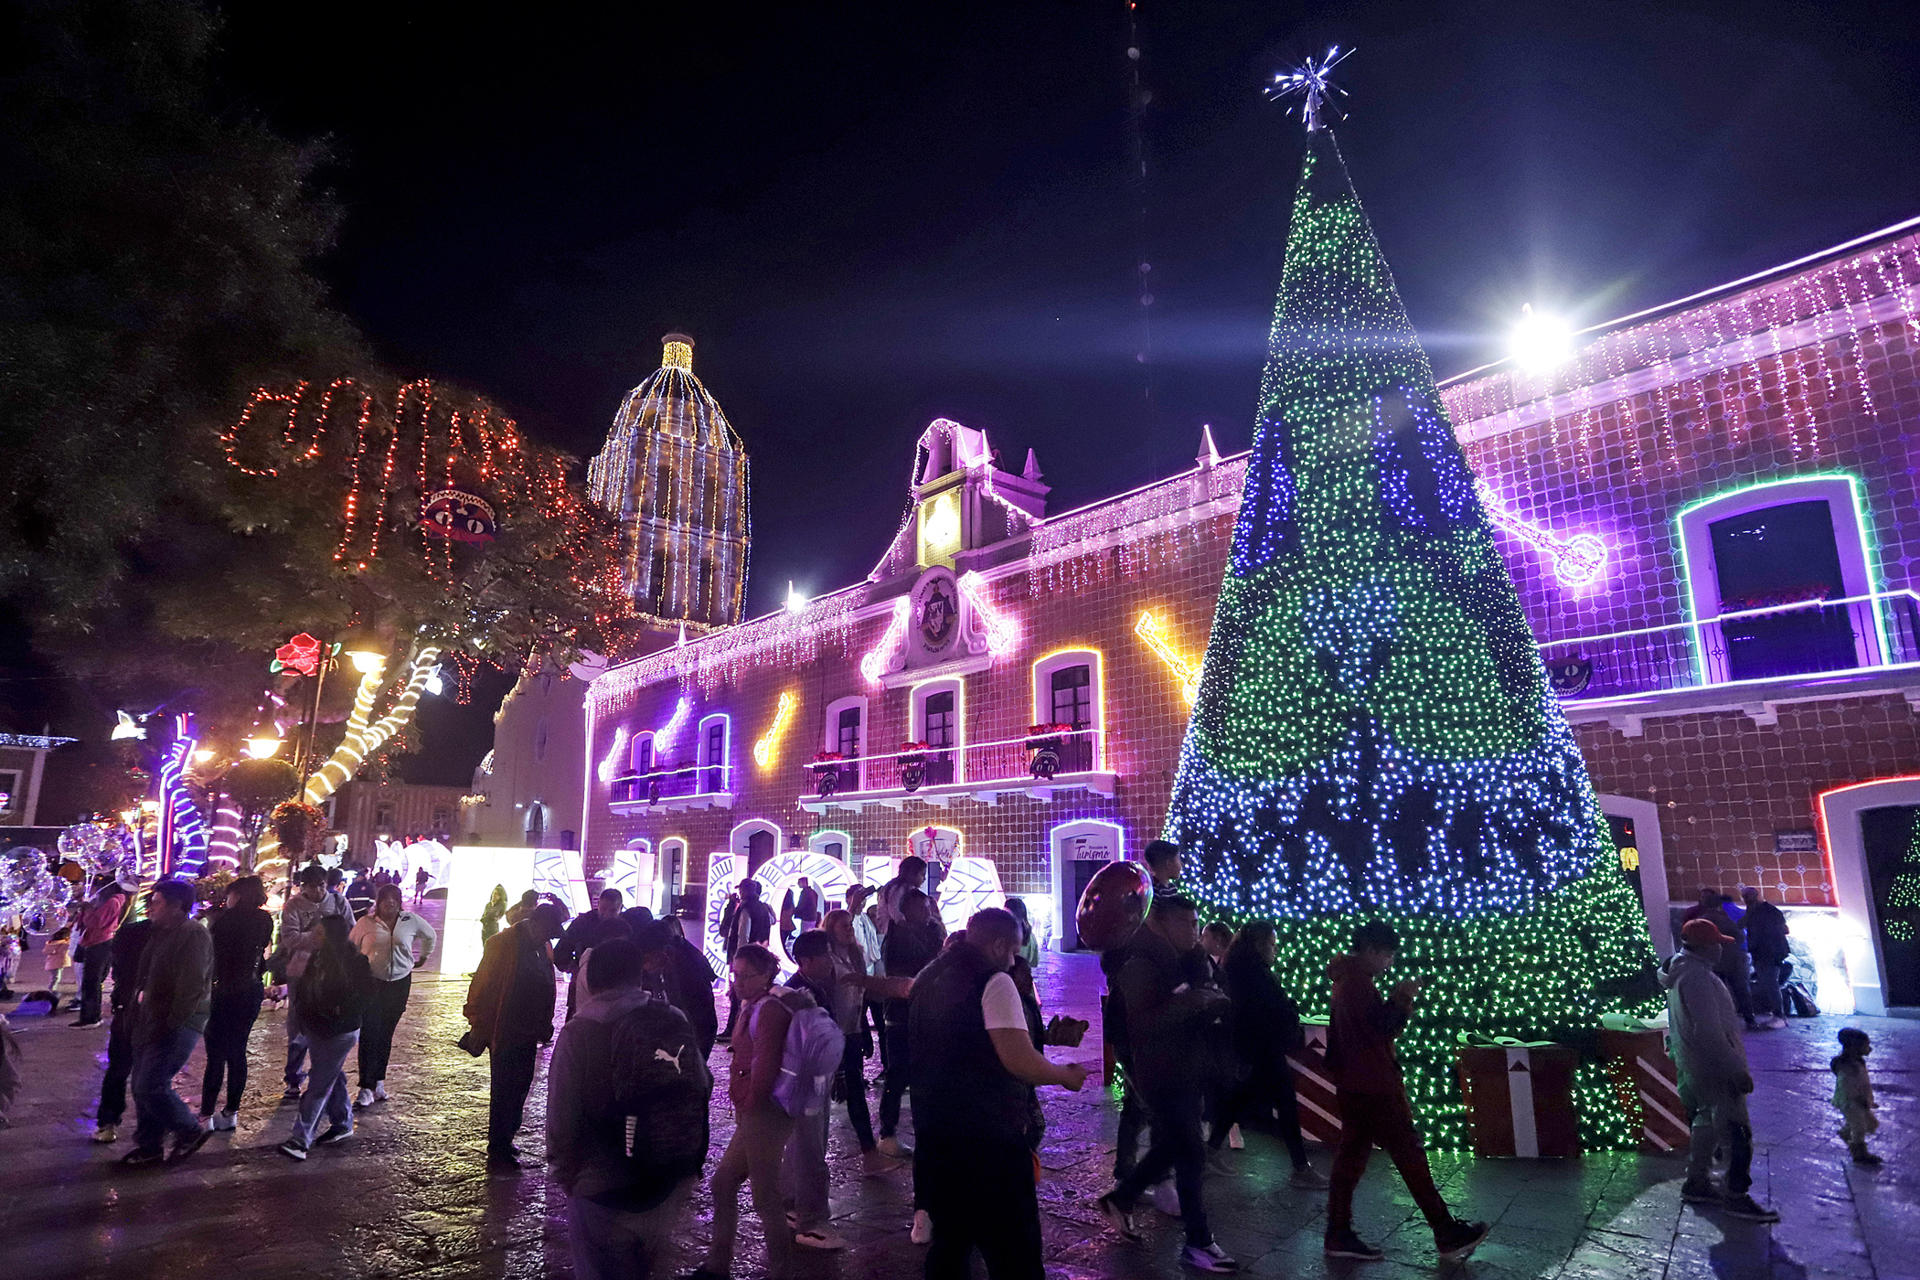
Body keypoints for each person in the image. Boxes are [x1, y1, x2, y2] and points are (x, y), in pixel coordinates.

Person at [911, 907, 1088, 1280]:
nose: (1014, 961)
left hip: (938, 1133)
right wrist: (1063, 1075)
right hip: (989, 1137)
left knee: (951, 1246)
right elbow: (1017, 1059)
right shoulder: (994, 982)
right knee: (1015, 1254)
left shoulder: (933, 974)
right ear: (996, 945)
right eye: (1012, 951)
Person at [1324, 920, 1489, 1261]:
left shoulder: (1348, 979)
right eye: (1388, 955)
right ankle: (1445, 1231)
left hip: (1355, 1083)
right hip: (1374, 1085)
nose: (1390, 963)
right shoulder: (1356, 983)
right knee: (1409, 1156)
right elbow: (1380, 1028)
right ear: (1371, 950)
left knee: (1351, 1157)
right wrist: (1403, 996)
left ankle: (1338, 1231)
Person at [548, 938, 712, 1280]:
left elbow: (562, 1118)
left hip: (601, 1184)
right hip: (666, 1178)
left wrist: (566, 1174)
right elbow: (703, 1084)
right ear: (639, 976)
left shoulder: (579, 1032)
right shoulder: (671, 1017)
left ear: (591, 979)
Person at [1093, 894, 1238, 1273]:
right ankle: (1199, 1240)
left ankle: (1122, 1198)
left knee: (1177, 1143)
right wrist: (1195, 1002)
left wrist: (1205, 998)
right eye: (1189, 923)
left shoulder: (1183, 958)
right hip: (1162, 1072)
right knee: (1190, 1150)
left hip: (1187, 1066)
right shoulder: (1142, 963)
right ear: (1163, 923)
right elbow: (1144, 1025)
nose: (1196, 929)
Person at [688, 943, 795, 1280]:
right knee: (723, 1182)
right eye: (735, 975)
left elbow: (764, 1064)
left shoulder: (770, 1010)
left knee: (765, 1196)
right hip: (755, 1112)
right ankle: (718, 1263)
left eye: (747, 976)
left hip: (764, 1112)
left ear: (767, 974)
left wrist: (748, 1103)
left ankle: (782, 1270)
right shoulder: (753, 1004)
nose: (738, 983)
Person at [1664, 916, 1778, 1220]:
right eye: (1716, 944)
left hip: (1694, 1063)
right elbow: (1709, 1031)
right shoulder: (1697, 978)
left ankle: (1697, 1180)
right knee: (1736, 1130)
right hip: (1714, 1067)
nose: (1720, 950)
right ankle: (1735, 1192)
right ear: (1705, 946)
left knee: (1706, 1122)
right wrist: (1734, 1069)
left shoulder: (1681, 973)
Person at [1209, 920, 1323, 1183]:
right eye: (1272, 944)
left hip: (1254, 1048)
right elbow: (1269, 1009)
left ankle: (1211, 1148)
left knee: (1244, 1099)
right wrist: (1289, 1012)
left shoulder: (1239, 969)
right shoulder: (1254, 974)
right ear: (1259, 945)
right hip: (1263, 1048)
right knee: (1284, 1104)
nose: (1275, 949)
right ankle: (1300, 1168)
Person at [464, 899, 565, 1171]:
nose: (550, 938)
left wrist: (544, 1024)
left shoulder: (542, 947)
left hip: (529, 1032)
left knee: (520, 1087)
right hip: (505, 1029)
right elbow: (482, 985)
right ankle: (497, 1148)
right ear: (537, 924)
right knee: (504, 1090)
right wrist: (476, 1021)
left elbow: (547, 986)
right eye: (549, 931)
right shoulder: (502, 944)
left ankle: (507, 1137)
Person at [122, 878, 214, 1167]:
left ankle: (189, 1129)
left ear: (176, 906)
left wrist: (173, 1021)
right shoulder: (160, 932)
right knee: (140, 1084)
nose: (151, 907)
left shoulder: (193, 934)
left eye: (157, 902)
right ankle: (149, 1145)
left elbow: (191, 985)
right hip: (148, 1017)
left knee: (152, 1083)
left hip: (176, 1021)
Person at [278, 915, 373, 1159]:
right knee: (331, 1074)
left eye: (320, 934)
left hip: (340, 1031)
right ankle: (342, 1123)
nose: (315, 938)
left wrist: (338, 1014)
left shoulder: (355, 961)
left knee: (319, 1083)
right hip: (316, 1028)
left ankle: (301, 1139)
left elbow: (362, 997)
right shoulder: (315, 958)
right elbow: (303, 991)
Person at [784, 929, 851, 1250]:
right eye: (826, 955)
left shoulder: (813, 988)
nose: (832, 961)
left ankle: (793, 1204)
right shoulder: (799, 994)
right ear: (806, 961)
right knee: (811, 1150)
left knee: (801, 1147)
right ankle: (811, 1220)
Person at [815, 908, 893, 1174]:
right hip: (833, 1033)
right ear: (831, 929)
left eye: (850, 925)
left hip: (851, 1030)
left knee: (856, 1090)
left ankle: (869, 1153)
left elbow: (862, 994)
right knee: (828, 1094)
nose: (849, 929)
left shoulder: (854, 955)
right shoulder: (827, 961)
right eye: (843, 926)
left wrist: (861, 1028)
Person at [348, 882, 438, 1108]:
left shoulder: (410, 921)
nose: (390, 903)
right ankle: (365, 1087)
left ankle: (378, 1081)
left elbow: (430, 936)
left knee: (386, 1034)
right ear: (378, 902)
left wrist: (424, 957)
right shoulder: (365, 923)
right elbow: (350, 948)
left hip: (399, 983)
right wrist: (355, 971)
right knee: (370, 1032)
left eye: (395, 899)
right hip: (372, 983)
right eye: (386, 899)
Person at [200, 875, 274, 1131]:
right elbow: (261, 949)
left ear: (239, 895)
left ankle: (206, 1115)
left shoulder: (223, 921)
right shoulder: (265, 919)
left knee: (215, 1054)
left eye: (230, 894)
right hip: (251, 989)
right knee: (237, 1050)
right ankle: (231, 1112)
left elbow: (212, 956)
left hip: (223, 991)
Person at [878, 887, 942, 1162]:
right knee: (898, 1072)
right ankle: (887, 1132)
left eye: (928, 907)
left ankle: (924, 1129)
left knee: (922, 1073)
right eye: (923, 907)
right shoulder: (899, 936)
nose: (928, 912)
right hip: (901, 1013)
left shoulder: (929, 932)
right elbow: (919, 967)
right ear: (908, 910)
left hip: (925, 1012)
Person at [90, 902, 154, 1144]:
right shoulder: (172, 935)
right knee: (138, 1071)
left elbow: (116, 968)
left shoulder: (132, 932)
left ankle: (109, 1122)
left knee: (122, 1069)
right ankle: (144, 1126)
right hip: (134, 1008)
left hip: (130, 1006)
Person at [272, 867, 330, 1098]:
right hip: (301, 971)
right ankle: (293, 1078)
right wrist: (321, 936)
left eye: (322, 885)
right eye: (312, 885)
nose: (318, 890)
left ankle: (323, 1076)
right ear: (303, 886)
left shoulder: (337, 902)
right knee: (297, 1026)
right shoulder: (294, 906)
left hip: (329, 973)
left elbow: (347, 931)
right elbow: (290, 938)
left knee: (327, 1026)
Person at [632, 918, 719, 1056]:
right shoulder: (674, 958)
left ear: (662, 954)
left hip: (693, 1039)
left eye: (647, 960)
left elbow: (700, 1019)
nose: (645, 966)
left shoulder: (687, 969)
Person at [556, 888, 633, 1021]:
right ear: (598, 905)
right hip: (585, 985)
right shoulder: (583, 923)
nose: (606, 914)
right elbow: (560, 952)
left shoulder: (625, 926)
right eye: (603, 909)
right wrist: (574, 969)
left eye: (612, 910)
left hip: (614, 989)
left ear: (621, 907)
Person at [1684, 889, 1755, 1028]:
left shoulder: (1702, 920)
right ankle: (1749, 1020)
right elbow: (1739, 936)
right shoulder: (1724, 918)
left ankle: (1722, 1021)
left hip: (1714, 961)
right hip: (1734, 959)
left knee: (1718, 992)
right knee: (1741, 989)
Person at [717, 879, 773, 1043]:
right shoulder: (763, 907)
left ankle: (733, 1029)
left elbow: (743, 934)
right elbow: (771, 921)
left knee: (738, 993)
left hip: (745, 956)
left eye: (741, 890)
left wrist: (739, 958)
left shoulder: (745, 908)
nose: (740, 893)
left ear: (745, 891)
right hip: (760, 954)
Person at [72, 879, 129, 1027]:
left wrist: (88, 909)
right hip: (92, 941)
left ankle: (91, 1017)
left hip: (100, 943)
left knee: (92, 982)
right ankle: (88, 1015)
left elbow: (97, 922)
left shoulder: (113, 901)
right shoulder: (103, 900)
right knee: (89, 981)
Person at [1739, 885, 1790, 1029]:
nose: (1746, 900)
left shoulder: (1764, 911)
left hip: (1767, 953)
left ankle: (1779, 1016)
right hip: (1769, 952)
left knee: (1771, 984)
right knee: (1770, 984)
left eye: (1747, 897)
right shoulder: (1762, 911)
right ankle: (1778, 1015)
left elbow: (1781, 930)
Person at [1831, 1027, 1880, 1166]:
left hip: (1860, 1100)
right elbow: (1848, 1086)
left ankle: (1846, 1132)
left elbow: (1863, 1083)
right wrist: (1859, 1098)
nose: (1869, 1049)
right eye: (1867, 1045)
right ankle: (1859, 1153)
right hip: (1850, 1102)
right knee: (1860, 1127)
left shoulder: (1858, 1063)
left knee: (1871, 1124)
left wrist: (1869, 1099)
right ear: (1856, 1047)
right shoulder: (1848, 1067)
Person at [876, 856, 940, 936]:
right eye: (922, 874)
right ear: (912, 873)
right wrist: (905, 925)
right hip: (892, 931)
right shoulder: (897, 889)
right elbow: (894, 909)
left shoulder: (901, 887)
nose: (924, 879)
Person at [1005, 897, 1041, 969]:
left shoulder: (1007, 934)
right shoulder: (1031, 936)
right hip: (1023, 975)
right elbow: (1035, 962)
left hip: (1008, 975)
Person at [44, 924, 73, 1005]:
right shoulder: (64, 944)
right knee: (56, 977)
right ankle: (52, 990)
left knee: (56, 977)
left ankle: (52, 989)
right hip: (55, 964)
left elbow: (45, 951)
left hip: (54, 963)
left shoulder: (52, 943)